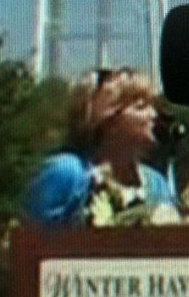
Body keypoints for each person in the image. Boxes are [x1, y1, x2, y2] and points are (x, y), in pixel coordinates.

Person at [27, 68, 179, 227]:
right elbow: (32, 237)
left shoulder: (157, 185)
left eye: (153, 107)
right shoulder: (67, 173)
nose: (154, 115)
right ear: (108, 120)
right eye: (141, 107)